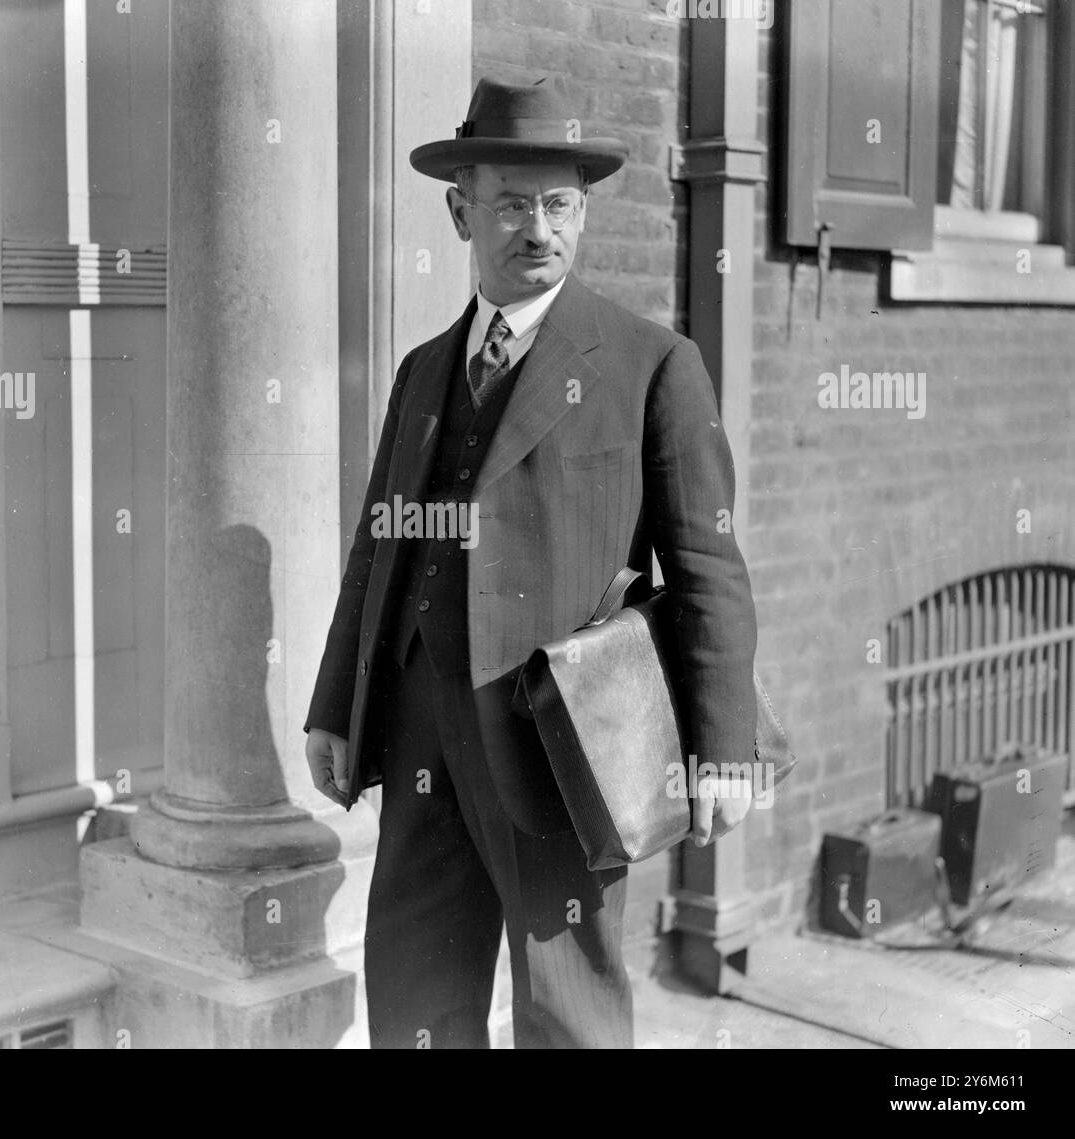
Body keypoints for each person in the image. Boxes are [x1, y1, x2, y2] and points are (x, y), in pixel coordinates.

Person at [304, 75, 759, 1049]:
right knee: (418, 985)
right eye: (511, 203)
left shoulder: (649, 364)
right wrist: (335, 701)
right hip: (423, 724)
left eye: (557, 204)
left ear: (583, 211)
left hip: (560, 736)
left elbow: (709, 566)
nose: (537, 228)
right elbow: (379, 542)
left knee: (569, 1009)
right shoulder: (423, 371)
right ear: (460, 208)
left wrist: (720, 747)